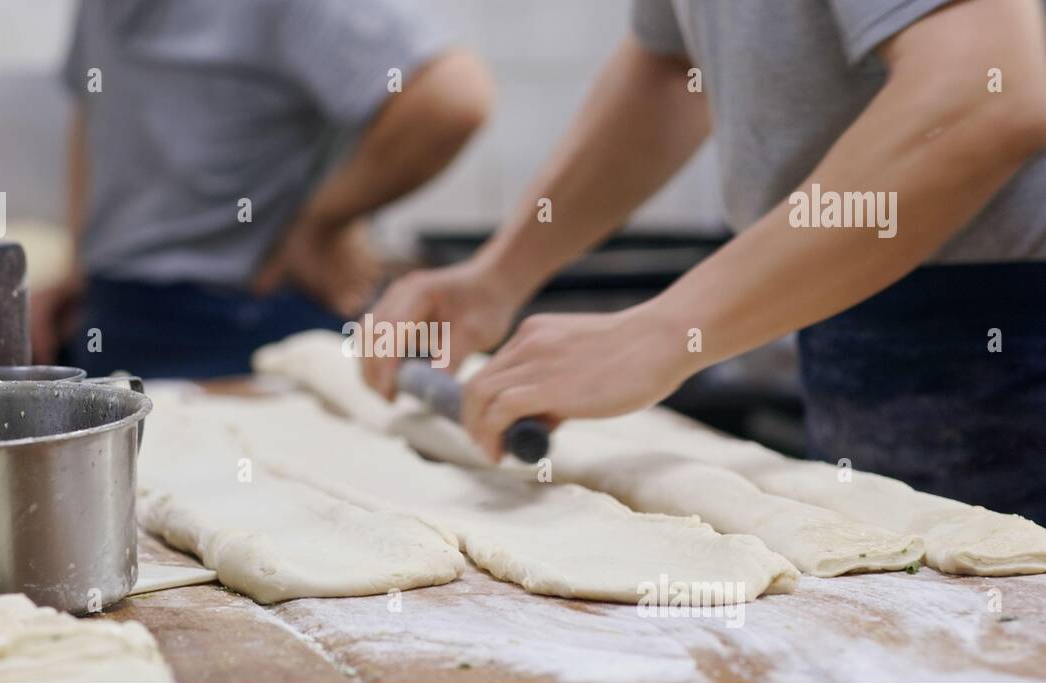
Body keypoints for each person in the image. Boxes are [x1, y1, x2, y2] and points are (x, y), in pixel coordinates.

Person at [362, 0, 1046, 523]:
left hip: (1007, 328)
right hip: (856, 311)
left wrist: (662, 331)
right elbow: (672, 69)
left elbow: (985, 92)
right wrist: (497, 277)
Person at [33, 0, 493, 378]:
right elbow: (95, 112)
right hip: (113, 318)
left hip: (244, 330)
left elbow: (452, 98)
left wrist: (321, 225)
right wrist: (81, 269)